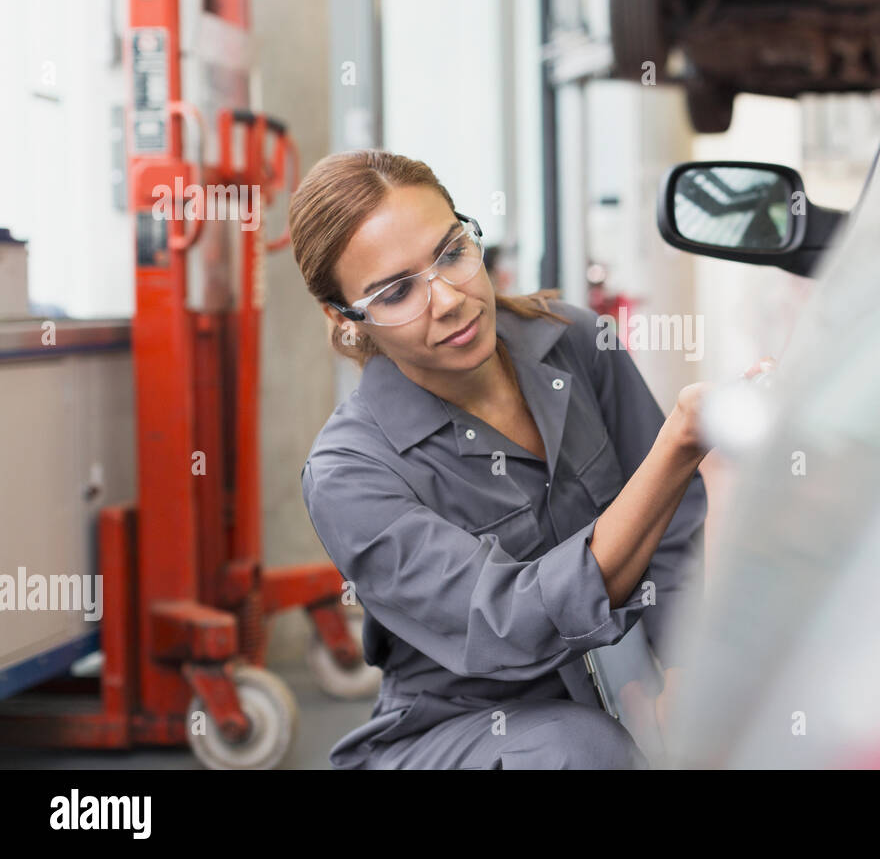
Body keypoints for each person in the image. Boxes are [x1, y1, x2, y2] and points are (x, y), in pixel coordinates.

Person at [288, 149, 745, 768]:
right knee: (577, 751)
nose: (448, 300)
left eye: (451, 253)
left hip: (606, 692)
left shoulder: (574, 344)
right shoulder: (350, 474)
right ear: (347, 322)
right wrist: (680, 445)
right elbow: (509, 622)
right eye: (397, 292)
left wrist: (686, 668)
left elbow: (672, 531)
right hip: (458, 731)